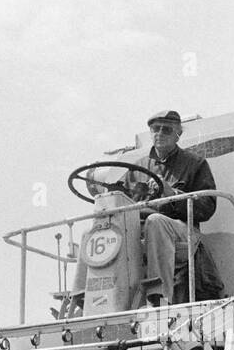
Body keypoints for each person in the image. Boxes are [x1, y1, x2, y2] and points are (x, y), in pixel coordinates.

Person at [64, 110, 220, 315]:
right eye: (156, 129)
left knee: (156, 221)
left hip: (183, 232)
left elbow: (207, 207)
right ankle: (80, 300)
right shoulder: (137, 168)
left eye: (167, 130)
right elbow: (122, 202)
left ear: (178, 134)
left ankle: (158, 298)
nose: (160, 133)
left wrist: (170, 193)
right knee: (93, 232)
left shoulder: (195, 164)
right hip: (140, 231)